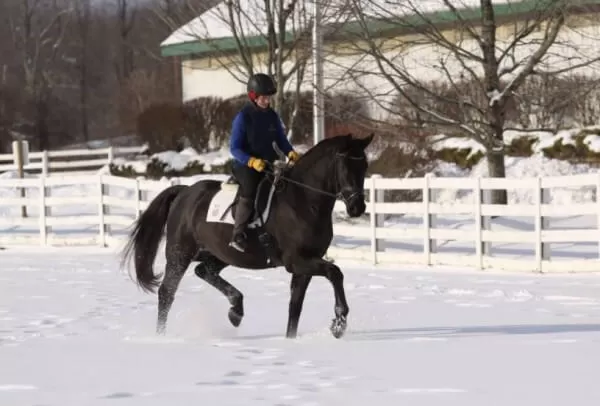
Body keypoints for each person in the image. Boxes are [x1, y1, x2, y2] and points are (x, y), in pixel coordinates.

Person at [228, 73, 300, 252]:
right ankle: (238, 234)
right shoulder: (243, 117)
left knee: (286, 185)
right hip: (245, 166)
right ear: (253, 96)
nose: (267, 101)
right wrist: (251, 161)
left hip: (268, 164)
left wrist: (290, 151)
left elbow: (281, 140)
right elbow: (234, 148)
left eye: (268, 98)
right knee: (251, 188)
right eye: (263, 98)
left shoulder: (272, 116)